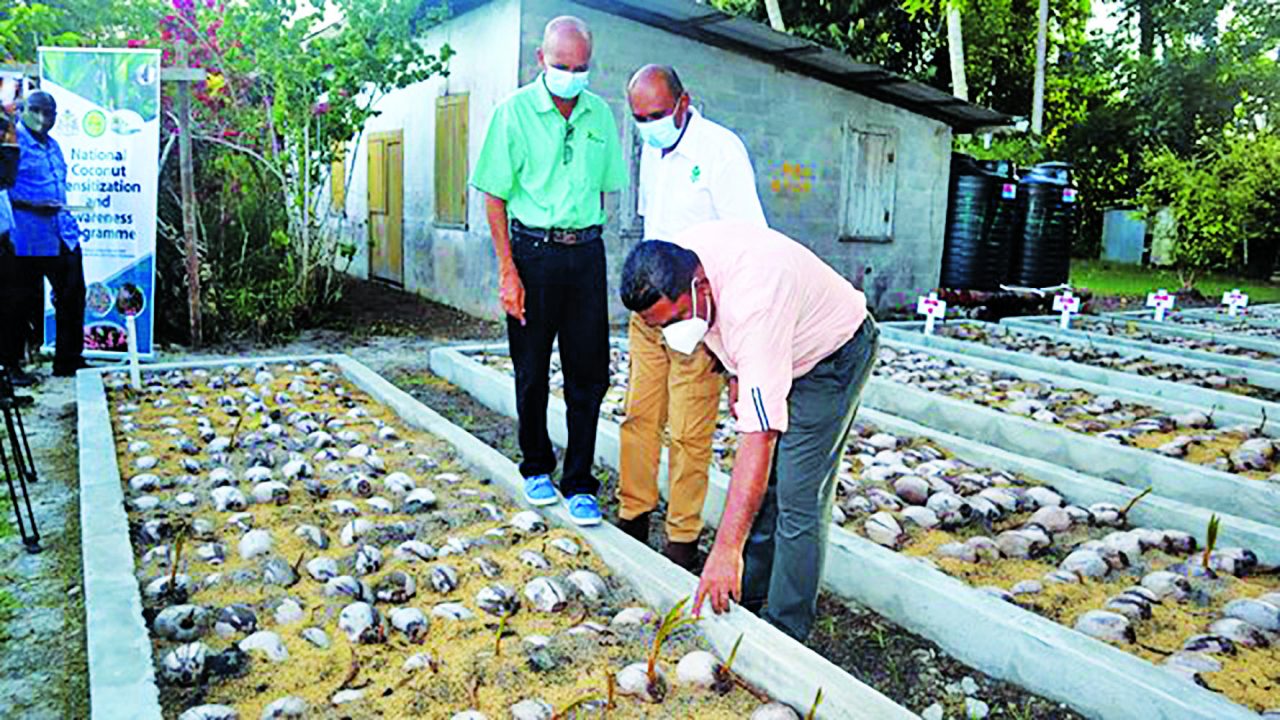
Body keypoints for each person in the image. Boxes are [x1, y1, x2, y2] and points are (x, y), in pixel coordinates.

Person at [619, 222, 879, 641]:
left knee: (798, 496)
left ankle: (786, 628)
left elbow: (758, 438)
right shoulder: (688, 264)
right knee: (769, 488)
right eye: (662, 325)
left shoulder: (753, 303)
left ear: (699, 285)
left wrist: (724, 549)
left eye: (680, 316)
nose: (675, 330)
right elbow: (729, 349)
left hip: (831, 355)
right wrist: (738, 377)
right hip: (781, 345)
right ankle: (751, 593)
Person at [470, 16, 628, 526]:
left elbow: (602, 188)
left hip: (586, 254)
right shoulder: (512, 113)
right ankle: (536, 464)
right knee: (532, 368)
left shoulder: (600, 115)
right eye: (562, 65)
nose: (572, 75)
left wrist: (583, 239)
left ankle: (579, 481)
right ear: (541, 60)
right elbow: (494, 194)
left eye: (581, 68)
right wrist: (507, 271)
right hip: (532, 252)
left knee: (590, 373)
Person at [616, 65, 766, 570]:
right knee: (639, 416)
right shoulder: (650, 152)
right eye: (640, 118)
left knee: (688, 431)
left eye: (657, 115)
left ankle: (681, 540)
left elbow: (750, 243)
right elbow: (649, 224)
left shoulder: (721, 152)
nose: (649, 125)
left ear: (684, 103)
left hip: (695, 318)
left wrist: (738, 354)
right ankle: (633, 515)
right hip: (649, 310)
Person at [5, 90, 86, 379]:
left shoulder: (53, 146)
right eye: (36, 111)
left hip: (62, 231)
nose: (42, 118)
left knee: (73, 293)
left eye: (48, 113)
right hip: (26, 236)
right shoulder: (11, 142)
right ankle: (11, 366)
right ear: (24, 109)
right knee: (19, 301)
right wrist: (33, 206)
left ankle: (69, 361)